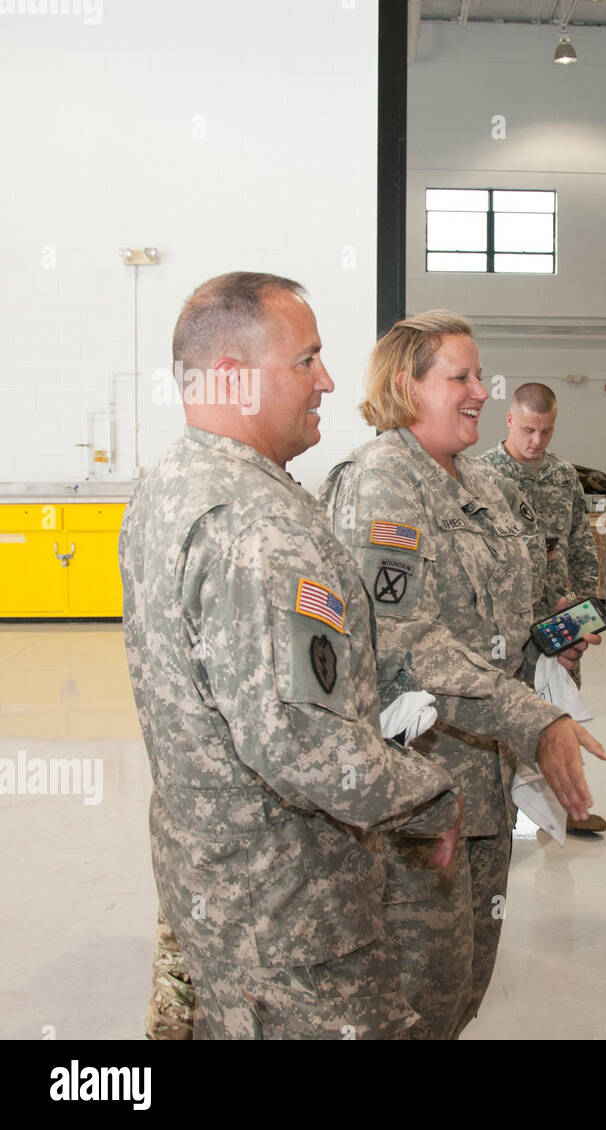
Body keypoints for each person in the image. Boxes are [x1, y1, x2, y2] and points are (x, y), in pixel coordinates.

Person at [121, 272, 461, 1040]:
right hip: (292, 921)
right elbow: (297, 742)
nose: (328, 381)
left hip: (210, 886)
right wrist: (426, 793)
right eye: (307, 361)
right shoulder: (261, 526)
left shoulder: (168, 485)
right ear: (237, 377)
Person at [320, 310, 606, 1039]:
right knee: (415, 999)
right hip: (419, 795)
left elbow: (507, 615)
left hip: (486, 785)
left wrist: (554, 644)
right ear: (405, 387)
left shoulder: (481, 478)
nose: (482, 390)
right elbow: (403, 645)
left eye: (481, 375)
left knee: (464, 987)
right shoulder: (382, 484)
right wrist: (532, 718)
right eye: (461, 377)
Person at [479, 382, 606, 833]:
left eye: (546, 432)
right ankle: (503, 811)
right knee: (509, 714)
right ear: (509, 419)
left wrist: (585, 606)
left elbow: (580, 543)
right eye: (529, 429)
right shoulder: (481, 476)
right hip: (508, 626)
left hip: (558, 622)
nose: (536, 442)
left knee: (561, 710)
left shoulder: (563, 476)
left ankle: (569, 808)